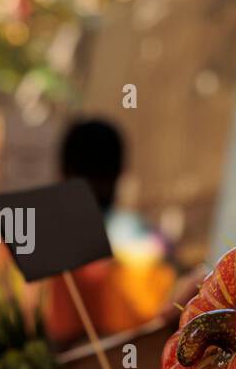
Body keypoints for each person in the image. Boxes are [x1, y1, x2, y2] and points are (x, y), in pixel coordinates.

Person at [43, 117, 175, 344]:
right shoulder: (153, 240)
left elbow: (54, 331)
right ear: (120, 174)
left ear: (64, 172)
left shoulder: (45, 239)